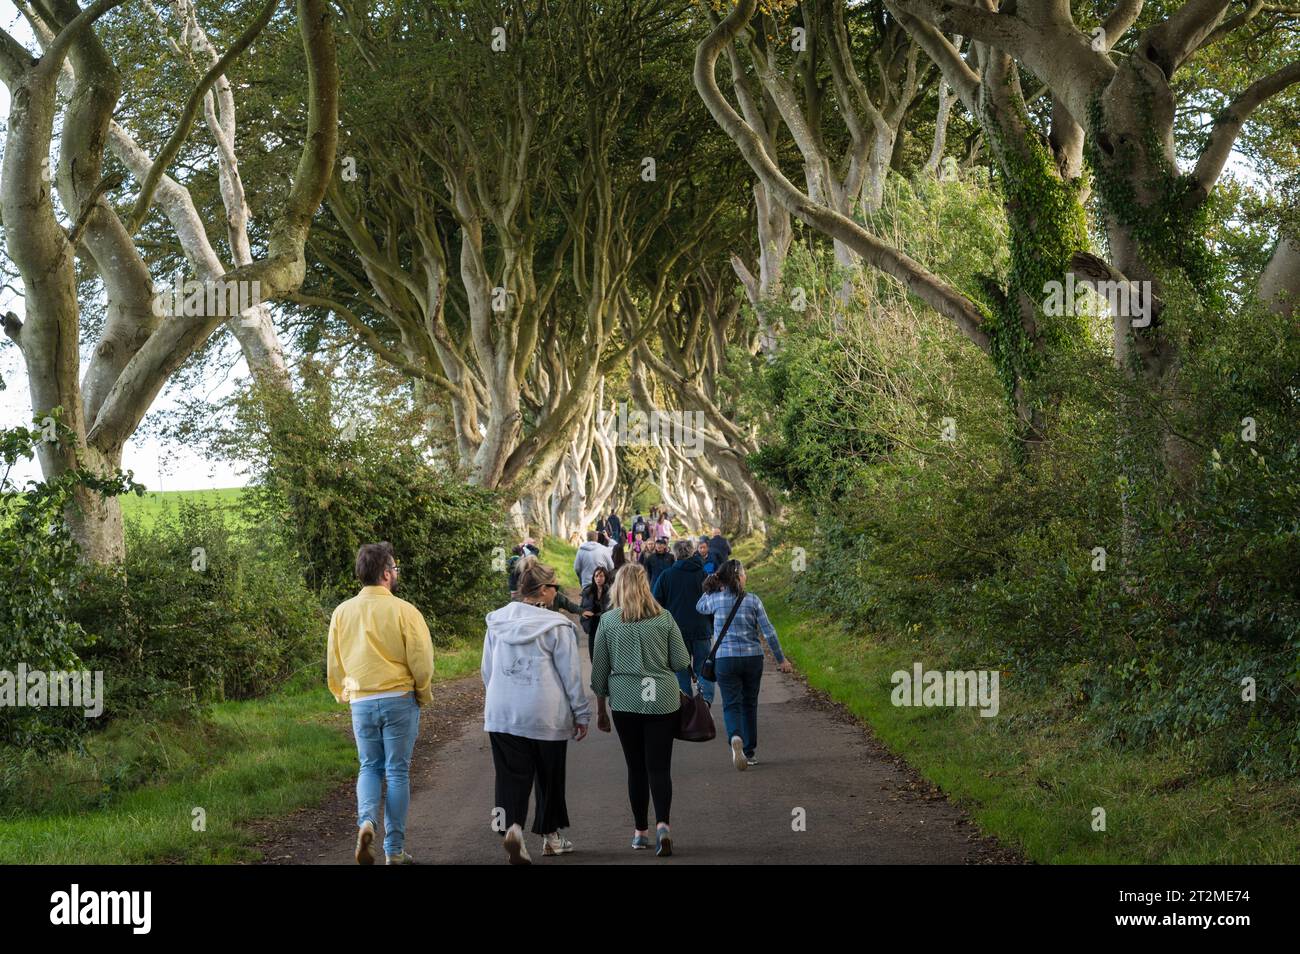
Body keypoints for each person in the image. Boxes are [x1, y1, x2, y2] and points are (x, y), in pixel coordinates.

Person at [328, 542, 433, 865]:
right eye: (395, 569)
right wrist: (423, 692)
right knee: (397, 771)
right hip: (398, 697)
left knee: (369, 766)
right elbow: (421, 659)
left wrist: (342, 693)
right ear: (386, 574)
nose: (396, 574)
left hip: (361, 700)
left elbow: (335, 662)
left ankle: (366, 823)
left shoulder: (342, 612)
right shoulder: (405, 611)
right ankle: (394, 851)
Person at [483, 561, 591, 864]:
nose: (556, 591)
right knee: (549, 777)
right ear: (543, 590)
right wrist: (581, 714)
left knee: (508, 776)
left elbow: (487, 670)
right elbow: (570, 676)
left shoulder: (497, 621)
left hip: (502, 711)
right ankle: (552, 837)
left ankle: (512, 829)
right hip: (546, 712)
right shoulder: (557, 627)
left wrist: (496, 699)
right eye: (554, 586)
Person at [591, 563, 690, 857]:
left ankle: (639, 832)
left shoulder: (608, 622)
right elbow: (681, 662)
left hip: (626, 702)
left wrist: (600, 711)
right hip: (662, 701)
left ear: (617, 588)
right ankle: (663, 828)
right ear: (646, 587)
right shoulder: (665, 618)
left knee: (636, 768)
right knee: (659, 767)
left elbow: (599, 673)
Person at [695, 559, 792, 771]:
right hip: (752, 658)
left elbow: (699, 607)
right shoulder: (753, 600)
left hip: (726, 659)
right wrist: (781, 659)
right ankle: (749, 752)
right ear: (738, 578)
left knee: (731, 704)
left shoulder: (716, 600)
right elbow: (769, 632)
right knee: (749, 704)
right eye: (744, 574)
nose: (746, 577)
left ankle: (735, 737)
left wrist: (709, 586)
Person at [652, 540, 714, 706]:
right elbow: (714, 601)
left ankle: (686, 707)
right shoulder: (703, 575)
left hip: (675, 632)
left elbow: (655, 604)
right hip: (702, 629)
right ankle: (705, 704)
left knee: (681, 672)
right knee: (704, 670)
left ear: (675, 554)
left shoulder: (666, 576)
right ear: (693, 552)